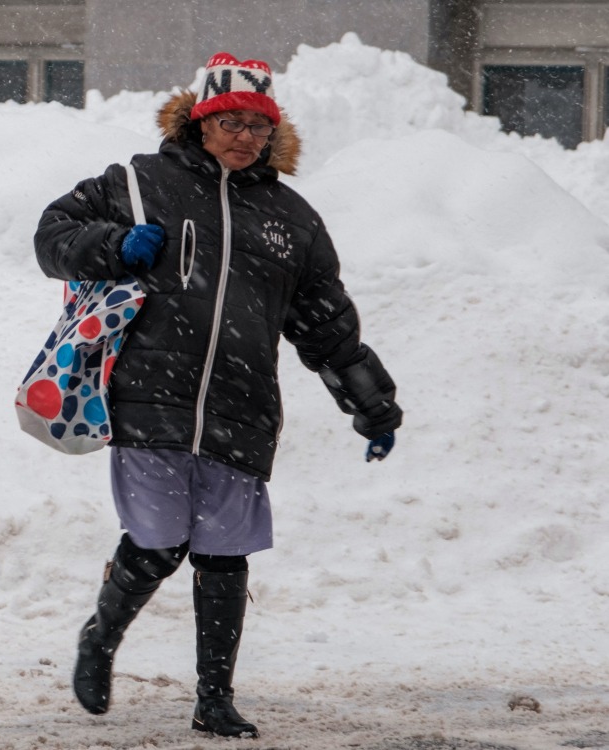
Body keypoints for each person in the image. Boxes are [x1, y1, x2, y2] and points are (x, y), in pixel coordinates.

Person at [33, 53, 403, 738]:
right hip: (151, 399)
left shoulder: (291, 219)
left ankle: (214, 698)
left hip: (242, 408)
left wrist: (370, 402)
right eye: (230, 122)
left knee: (224, 555)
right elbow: (52, 238)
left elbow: (326, 325)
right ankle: (102, 637)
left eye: (258, 127)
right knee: (158, 538)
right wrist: (115, 244)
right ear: (200, 122)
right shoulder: (140, 183)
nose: (244, 137)